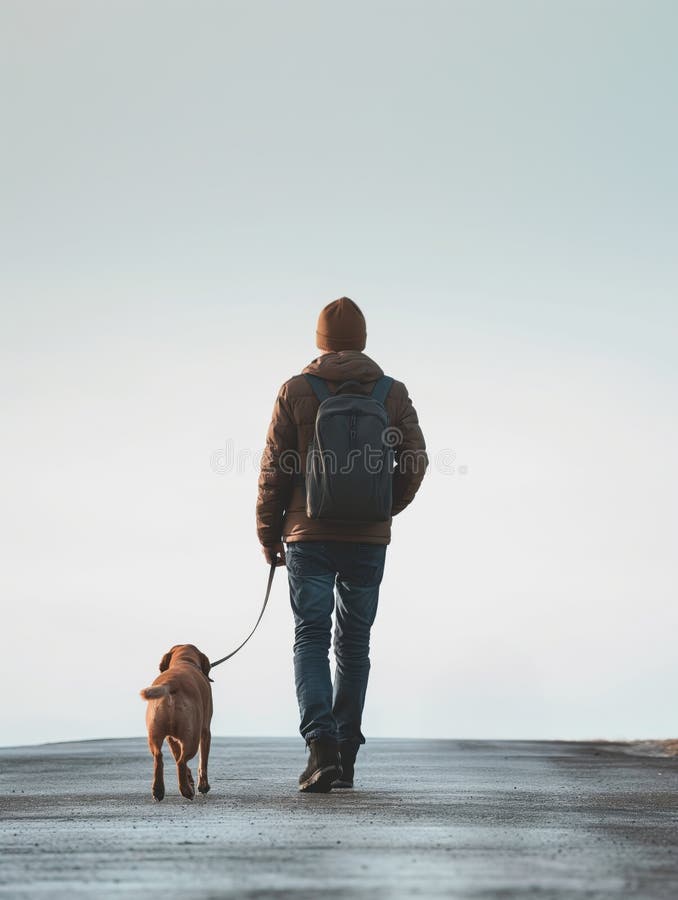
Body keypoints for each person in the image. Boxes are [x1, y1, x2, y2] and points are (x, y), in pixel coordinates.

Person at [256, 297, 427, 792]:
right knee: (354, 644)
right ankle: (346, 755)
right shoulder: (392, 392)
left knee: (310, 636)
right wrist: (382, 508)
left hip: (307, 535)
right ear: (362, 340)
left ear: (321, 342)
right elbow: (415, 461)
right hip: (367, 540)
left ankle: (321, 750)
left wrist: (268, 533)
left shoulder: (295, 390)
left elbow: (274, 468)